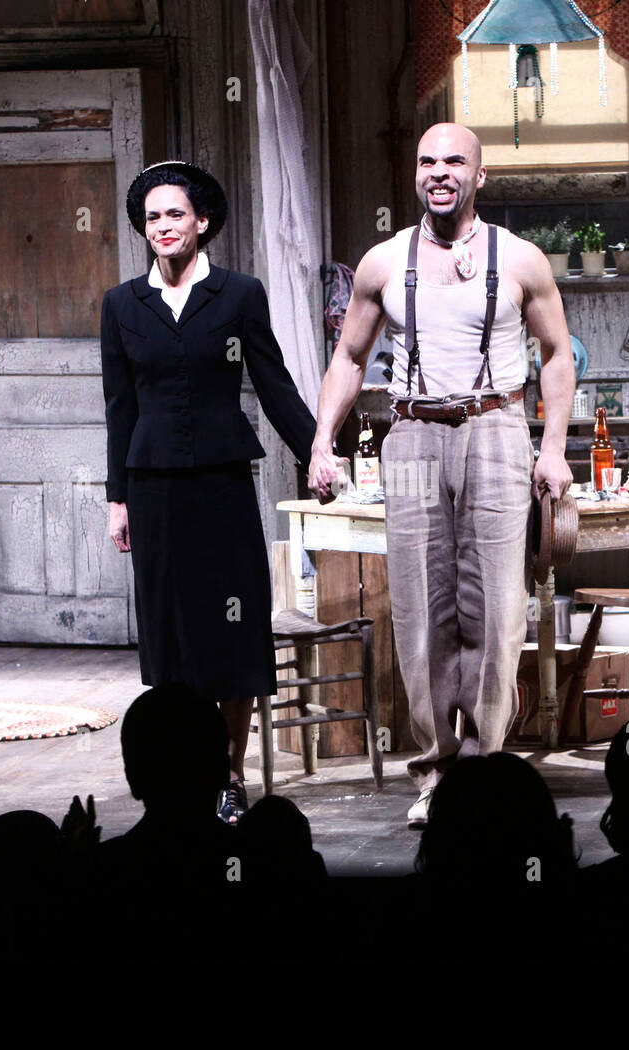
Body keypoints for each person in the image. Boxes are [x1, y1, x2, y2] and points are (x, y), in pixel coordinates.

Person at [307, 124, 575, 826]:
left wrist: (551, 448)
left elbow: (557, 353)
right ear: (416, 174)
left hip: (495, 431)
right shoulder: (383, 262)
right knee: (421, 607)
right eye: (427, 161)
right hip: (415, 433)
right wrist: (320, 442)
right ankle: (435, 773)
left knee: (495, 605)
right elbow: (349, 358)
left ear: (480, 175)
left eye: (455, 160)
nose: (440, 172)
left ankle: (485, 772)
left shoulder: (519, 259)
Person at [102, 160, 317, 824]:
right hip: (153, 487)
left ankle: (229, 772)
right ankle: (175, 776)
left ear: (201, 223)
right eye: (153, 217)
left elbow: (274, 385)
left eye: (176, 214)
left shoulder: (238, 294)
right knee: (172, 636)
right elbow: (118, 406)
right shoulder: (120, 304)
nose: (164, 226)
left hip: (222, 483)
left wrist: (320, 454)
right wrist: (117, 498)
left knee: (233, 632)